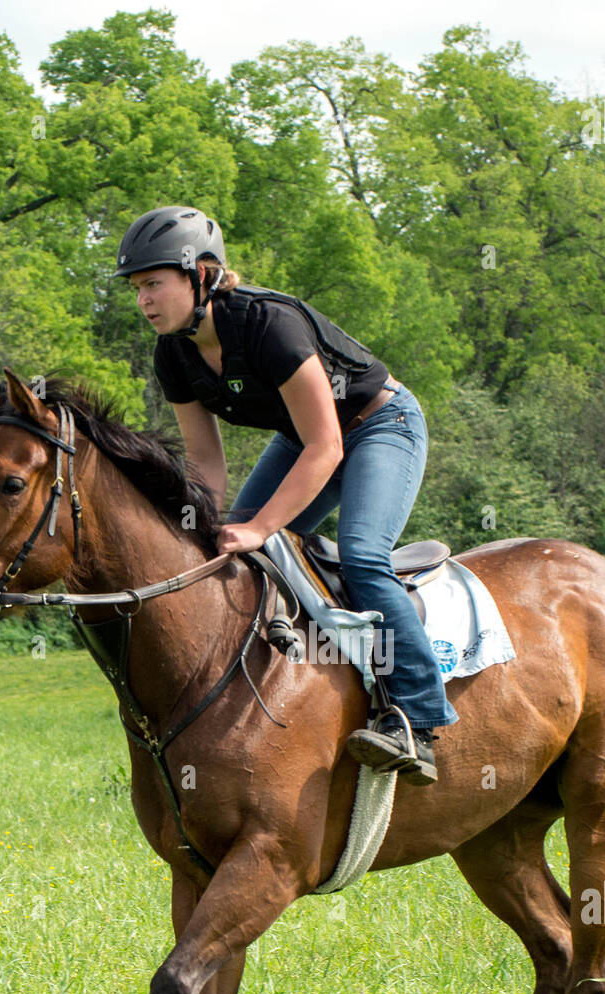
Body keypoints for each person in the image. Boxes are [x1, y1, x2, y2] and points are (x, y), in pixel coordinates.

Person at [115, 205, 457, 785]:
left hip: (380, 425)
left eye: (154, 283)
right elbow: (205, 464)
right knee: (232, 552)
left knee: (363, 555)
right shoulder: (173, 352)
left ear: (201, 274)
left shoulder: (268, 324)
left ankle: (417, 722)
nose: (144, 300)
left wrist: (261, 526)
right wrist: (199, 527)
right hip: (306, 439)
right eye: (136, 289)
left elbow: (327, 446)